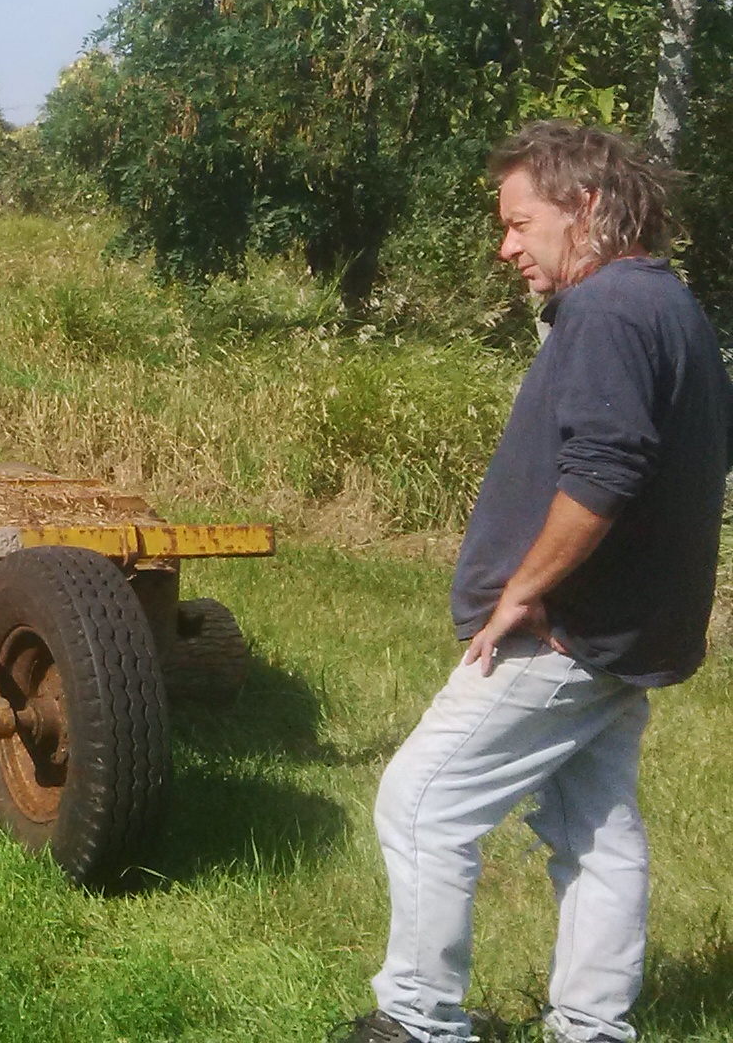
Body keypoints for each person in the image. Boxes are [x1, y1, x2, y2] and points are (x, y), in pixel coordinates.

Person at [340, 123, 726, 1043]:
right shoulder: (671, 303)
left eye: (519, 224)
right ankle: (591, 1028)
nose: (506, 247)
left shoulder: (607, 309)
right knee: (594, 827)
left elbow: (606, 470)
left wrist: (523, 590)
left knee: (421, 802)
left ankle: (418, 1022)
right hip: (624, 633)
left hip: (565, 634)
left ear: (584, 207)